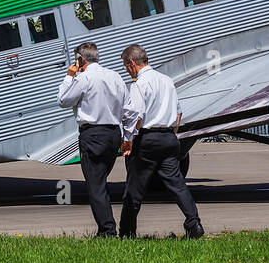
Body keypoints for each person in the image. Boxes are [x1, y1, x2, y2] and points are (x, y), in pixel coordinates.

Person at [118, 44, 204, 240]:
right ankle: (194, 223)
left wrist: (128, 141)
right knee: (177, 185)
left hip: (148, 139)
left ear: (131, 63)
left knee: (134, 188)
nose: (127, 70)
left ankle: (126, 233)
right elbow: (179, 112)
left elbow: (136, 117)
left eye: (126, 66)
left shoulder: (139, 84)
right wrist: (171, 132)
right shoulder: (167, 80)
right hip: (169, 139)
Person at [57, 42, 128, 238]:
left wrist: (69, 76)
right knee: (101, 180)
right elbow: (127, 106)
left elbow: (63, 100)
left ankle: (107, 230)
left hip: (93, 134)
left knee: (96, 185)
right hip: (114, 133)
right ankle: (112, 226)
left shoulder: (83, 78)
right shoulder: (115, 76)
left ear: (80, 60)